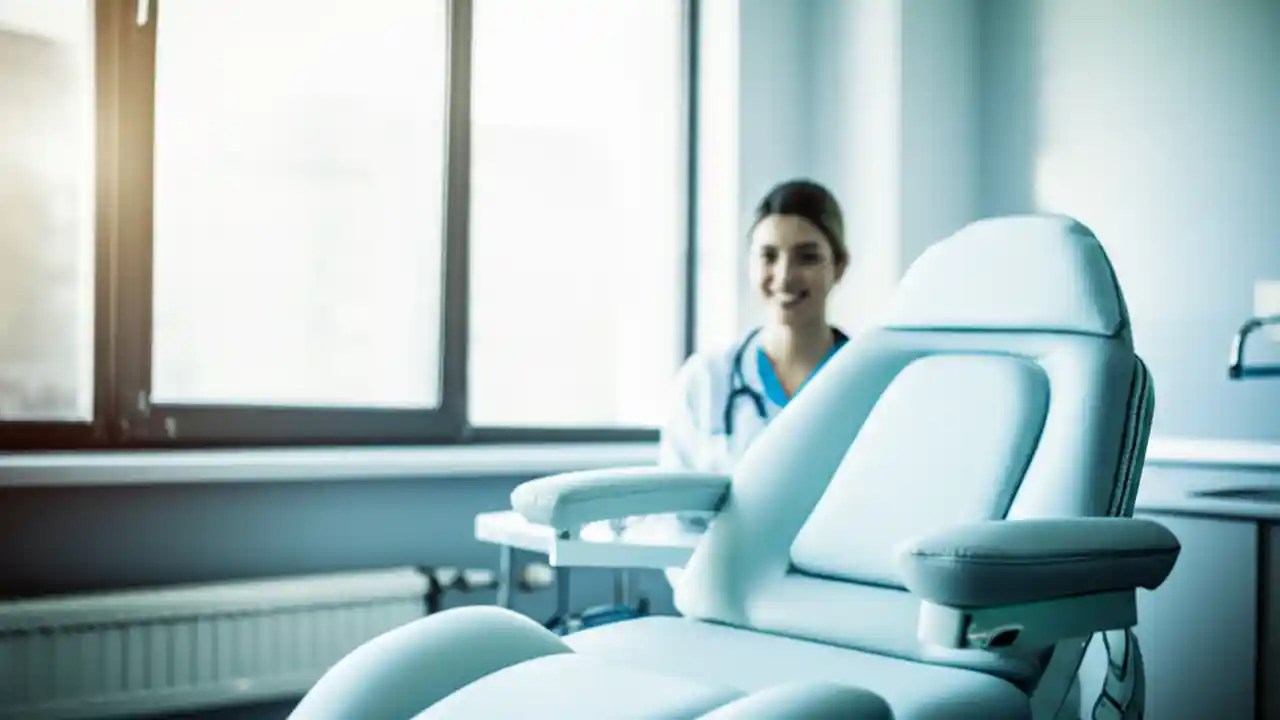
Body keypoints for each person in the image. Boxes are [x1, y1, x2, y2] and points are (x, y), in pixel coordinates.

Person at [623, 178, 851, 549]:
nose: (785, 275)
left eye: (807, 256)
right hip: (722, 599)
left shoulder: (871, 382)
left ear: (839, 266)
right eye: (769, 255)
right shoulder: (707, 380)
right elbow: (674, 521)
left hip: (836, 594)